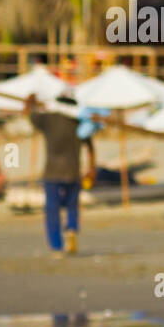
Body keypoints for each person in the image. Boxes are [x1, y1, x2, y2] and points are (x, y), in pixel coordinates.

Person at [26, 93, 96, 256]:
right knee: (72, 206)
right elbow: (90, 147)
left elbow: (31, 116)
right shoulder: (79, 122)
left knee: (52, 209)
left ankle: (56, 246)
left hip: (53, 172)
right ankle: (71, 228)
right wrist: (92, 168)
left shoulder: (49, 119)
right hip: (73, 171)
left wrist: (30, 102)